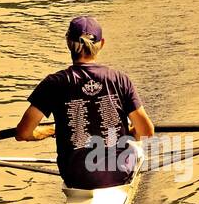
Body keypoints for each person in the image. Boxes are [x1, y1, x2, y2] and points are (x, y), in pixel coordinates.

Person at [16, 16, 155, 188]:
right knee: (135, 147)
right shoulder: (120, 80)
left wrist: (48, 131)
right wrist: (128, 134)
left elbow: (22, 133)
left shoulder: (53, 83)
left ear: (68, 42)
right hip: (118, 174)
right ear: (101, 44)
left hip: (75, 178)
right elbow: (147, 131)